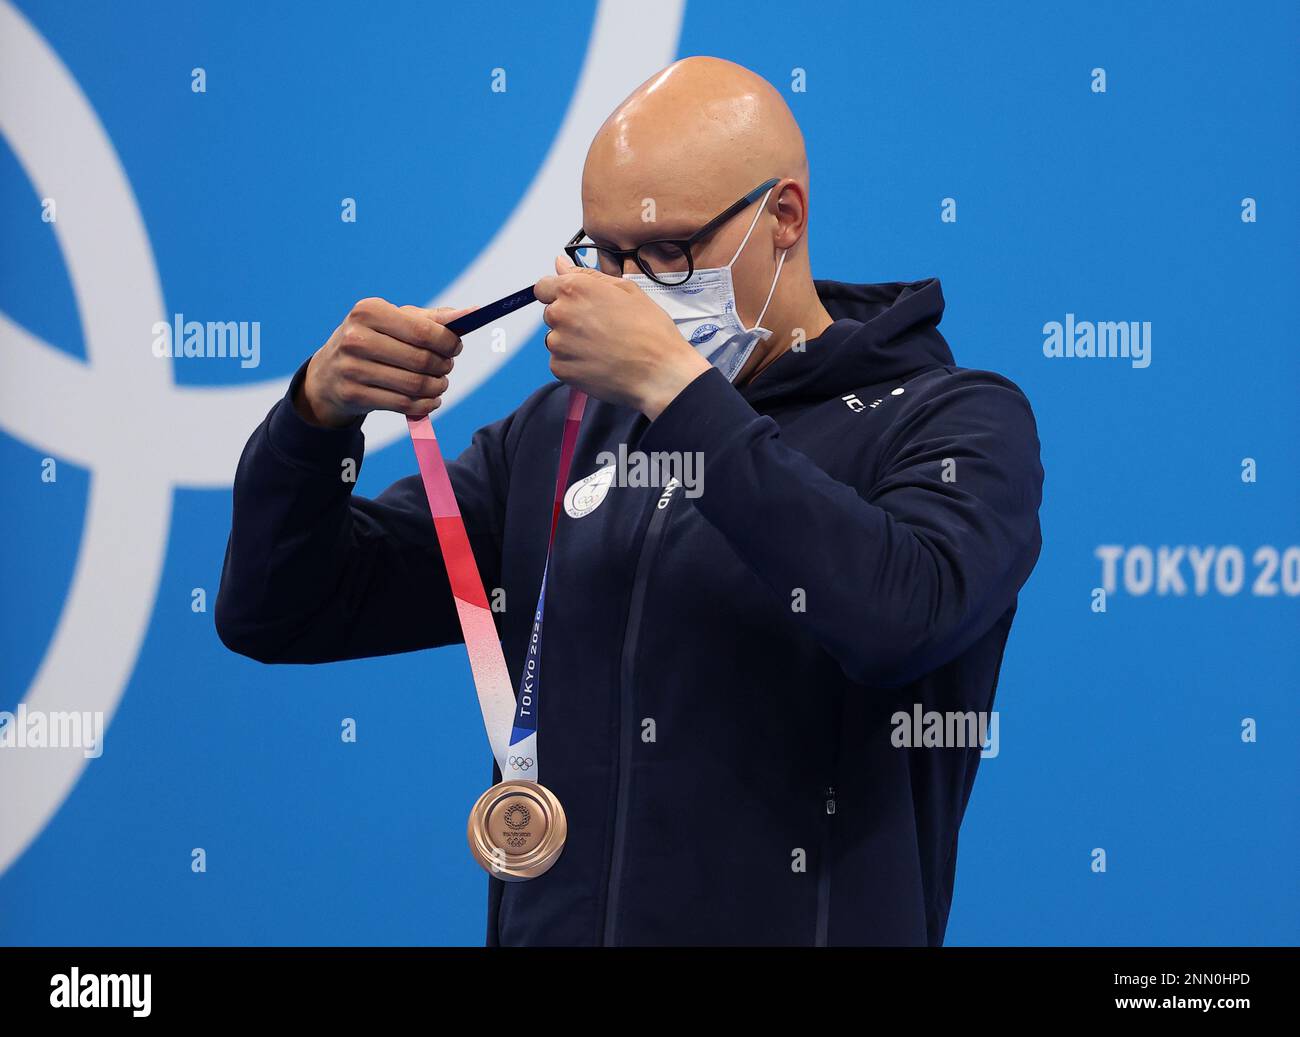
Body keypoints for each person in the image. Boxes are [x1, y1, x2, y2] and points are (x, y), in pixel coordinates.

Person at [216, 56, 1044, 946]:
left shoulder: (955, 419)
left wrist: (678, 391)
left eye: (664, 251)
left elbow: (898, 618)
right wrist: (312, 418)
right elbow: (282, 611)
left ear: (784, 220)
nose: (626, 285)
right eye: (602, 254)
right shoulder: (559, 434)